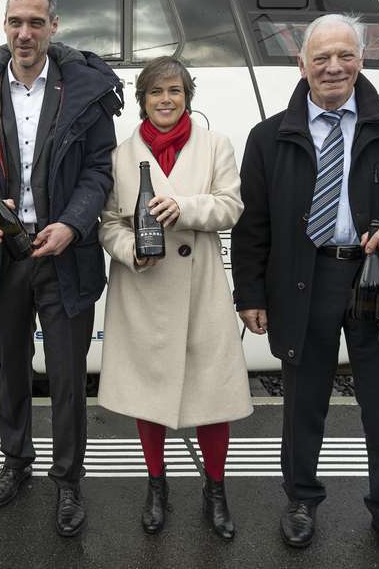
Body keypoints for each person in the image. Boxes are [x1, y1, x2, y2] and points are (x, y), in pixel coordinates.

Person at [232, 14, 379, 569]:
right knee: (303, 404)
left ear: (362, 58)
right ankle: (301, 503)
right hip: (305, 281)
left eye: (345, 56)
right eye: (321, 57)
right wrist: (250, 294)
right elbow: (253, 224)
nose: (333, 67)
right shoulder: (269, 136)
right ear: (300, 64)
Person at [0, 0, 122, 537]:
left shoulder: (85, 90)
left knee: (70, 377)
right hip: (4, 250)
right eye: (15, 22)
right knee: (12, 367)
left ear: (54, 27)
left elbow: (100, 169)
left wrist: (72, 225)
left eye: (35, 22)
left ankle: (69, 481)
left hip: (65, 252)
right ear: (4, 26)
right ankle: (16, 462)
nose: (24, 33)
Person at [97, 56, 252, 540]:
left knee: (213, 395)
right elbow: (109, 224)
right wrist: (129, 252)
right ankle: (157, 487)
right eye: (156, 92)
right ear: (142, 100)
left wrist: (183, 207)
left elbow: (231, 206)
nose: (166, 100)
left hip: (200, 287)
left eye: (176, 91)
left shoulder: (215, 145)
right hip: (145, 288)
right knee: (150, 394)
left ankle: (215, 490)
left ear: (188, 97)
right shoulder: (121, 155)